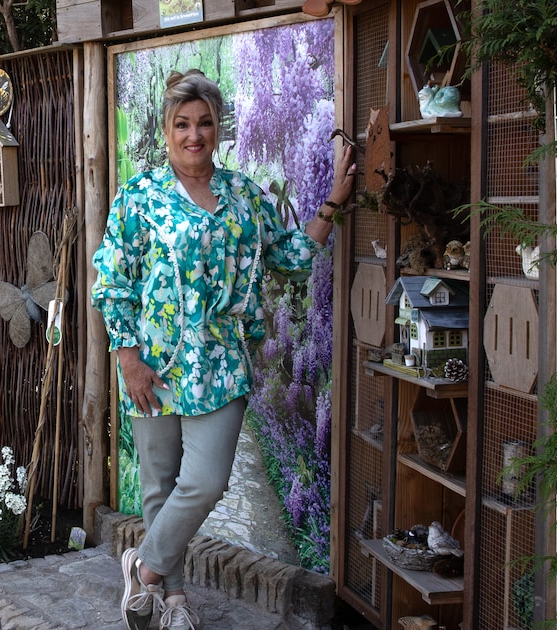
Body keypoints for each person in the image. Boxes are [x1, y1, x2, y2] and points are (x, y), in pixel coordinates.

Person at [90, 69, 356, 630]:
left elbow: (291, 256)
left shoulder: (243, 196)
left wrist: (332, 202)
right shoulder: (139, 197)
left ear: (218, 129)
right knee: (160, 486)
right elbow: (113, 281)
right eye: (182, 124)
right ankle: (174, 602)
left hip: (221, 362)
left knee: (206, 481)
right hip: (153, 363)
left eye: (204, 123)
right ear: (166, 132)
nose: (194, 135)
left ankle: (142, 570)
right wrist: (128, 358)